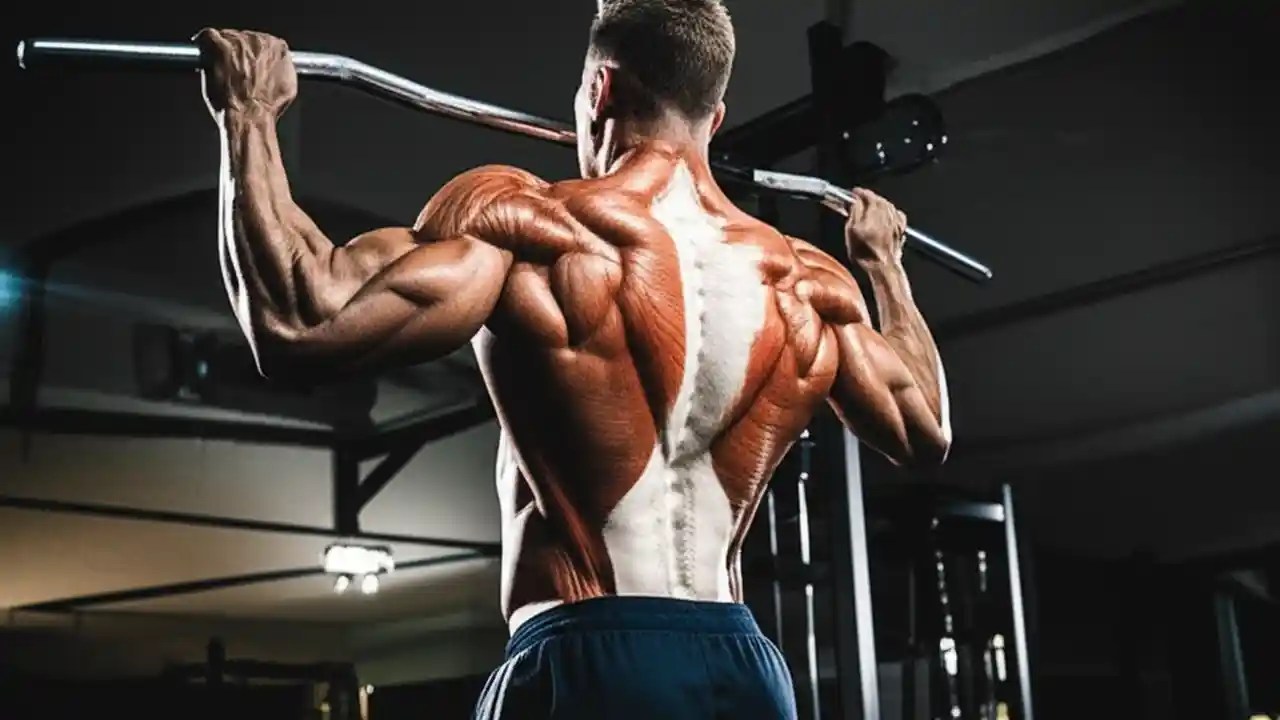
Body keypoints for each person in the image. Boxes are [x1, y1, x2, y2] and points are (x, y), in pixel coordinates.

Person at [195, 0, 950, 717]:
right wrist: (884, 265)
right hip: (741, 665)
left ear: (599, 87)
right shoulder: (808, 281)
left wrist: (249, 118)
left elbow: (300, 320)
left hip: (587, 657)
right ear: (713, 118)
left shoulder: (534, 228)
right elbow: (924, 429)